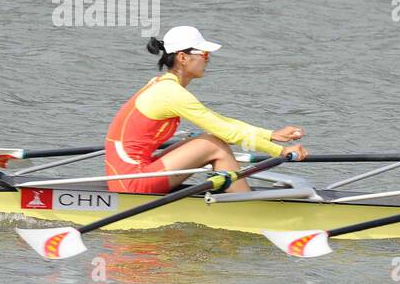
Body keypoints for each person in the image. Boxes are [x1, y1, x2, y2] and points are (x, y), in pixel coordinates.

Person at [105, 26, 307, 194]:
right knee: (213, 144)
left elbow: (221, 122)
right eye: (204, 54)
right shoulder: (171, 93)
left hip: (129, 175)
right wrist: (280, 152)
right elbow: (226, 131)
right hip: (130, 181)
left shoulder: (165, 86)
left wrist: (270, 135)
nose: (208, 59)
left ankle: (238, 198)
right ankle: (247, 208)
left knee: (209, 139)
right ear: (182, 58)